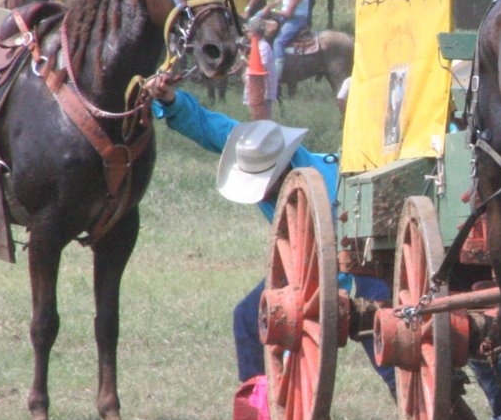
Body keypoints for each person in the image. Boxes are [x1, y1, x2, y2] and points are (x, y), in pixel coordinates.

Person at [143, 76, 396, 394]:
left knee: (376, 322)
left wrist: (311, 310)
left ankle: (409, 399)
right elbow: (208, 127)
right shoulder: (253, 149)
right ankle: (257, 403)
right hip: (303, 267)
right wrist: (171, 100)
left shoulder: (328, 186)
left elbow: (339, 263)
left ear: (284, 166)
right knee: (248, 317)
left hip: (358, 260)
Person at [267, 0, 311, 89]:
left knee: (278, 41)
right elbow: (277, 1)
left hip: (296, 20)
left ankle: (277, 74)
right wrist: (267, 7)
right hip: (286, 18)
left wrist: (273, 11)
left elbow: (288, 13)